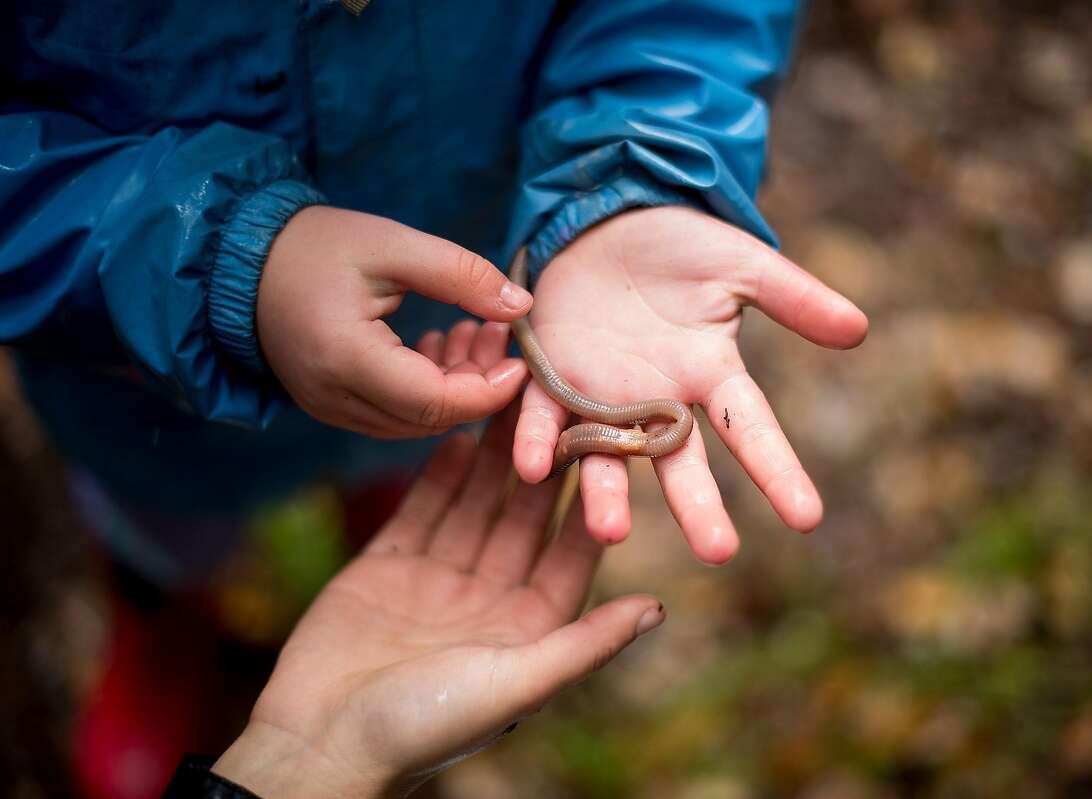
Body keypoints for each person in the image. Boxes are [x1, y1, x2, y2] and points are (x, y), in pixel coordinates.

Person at [2, 1, 868, 794]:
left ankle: (377, 521)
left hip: (450, 321)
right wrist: (225, 260)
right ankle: (162, 624)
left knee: (428, 450)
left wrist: (633, 178)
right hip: (150, 383)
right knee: (164, 516)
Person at [164, 409, 667, 798]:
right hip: (164, 461)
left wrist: (316, 757)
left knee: (420, 464)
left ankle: (379, 495)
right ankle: (156, 612)